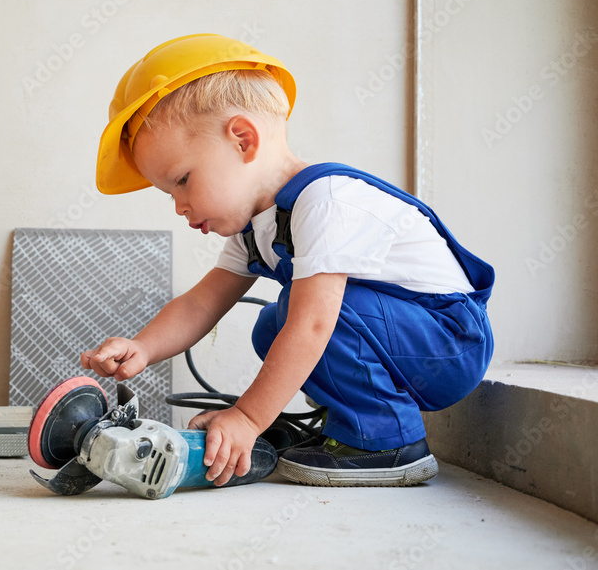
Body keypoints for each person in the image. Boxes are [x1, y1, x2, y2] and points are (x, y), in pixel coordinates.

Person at [80, 33, 494, 488]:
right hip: (403, 341)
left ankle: (391, 442)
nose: (179, 205)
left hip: (449, 343)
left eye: (182, 180)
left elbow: (316, 325)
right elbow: (200, 304)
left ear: (242, 140)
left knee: (305, 314)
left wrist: (248, 418)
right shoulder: (257, 227)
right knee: (272, 325)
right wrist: (144, 347)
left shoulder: (324, 202)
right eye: (169, 192)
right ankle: (353, 426)